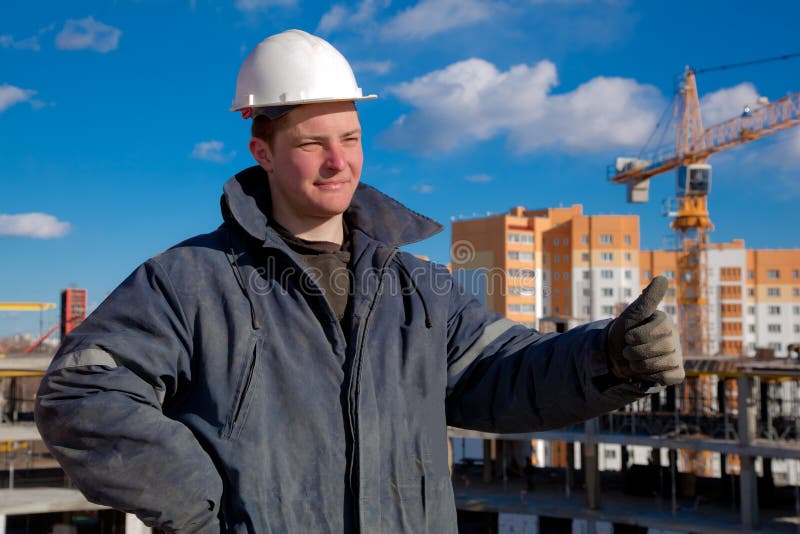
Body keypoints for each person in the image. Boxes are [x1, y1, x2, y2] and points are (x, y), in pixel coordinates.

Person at [35, 29, 684, 533]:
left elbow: (505, 372)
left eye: (350, 137)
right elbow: (80, 394)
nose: (338, 161)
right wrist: (209, 509)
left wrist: (609, 356)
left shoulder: (419, 291)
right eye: (311, 144)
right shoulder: (190, 283)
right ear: (263, 153)